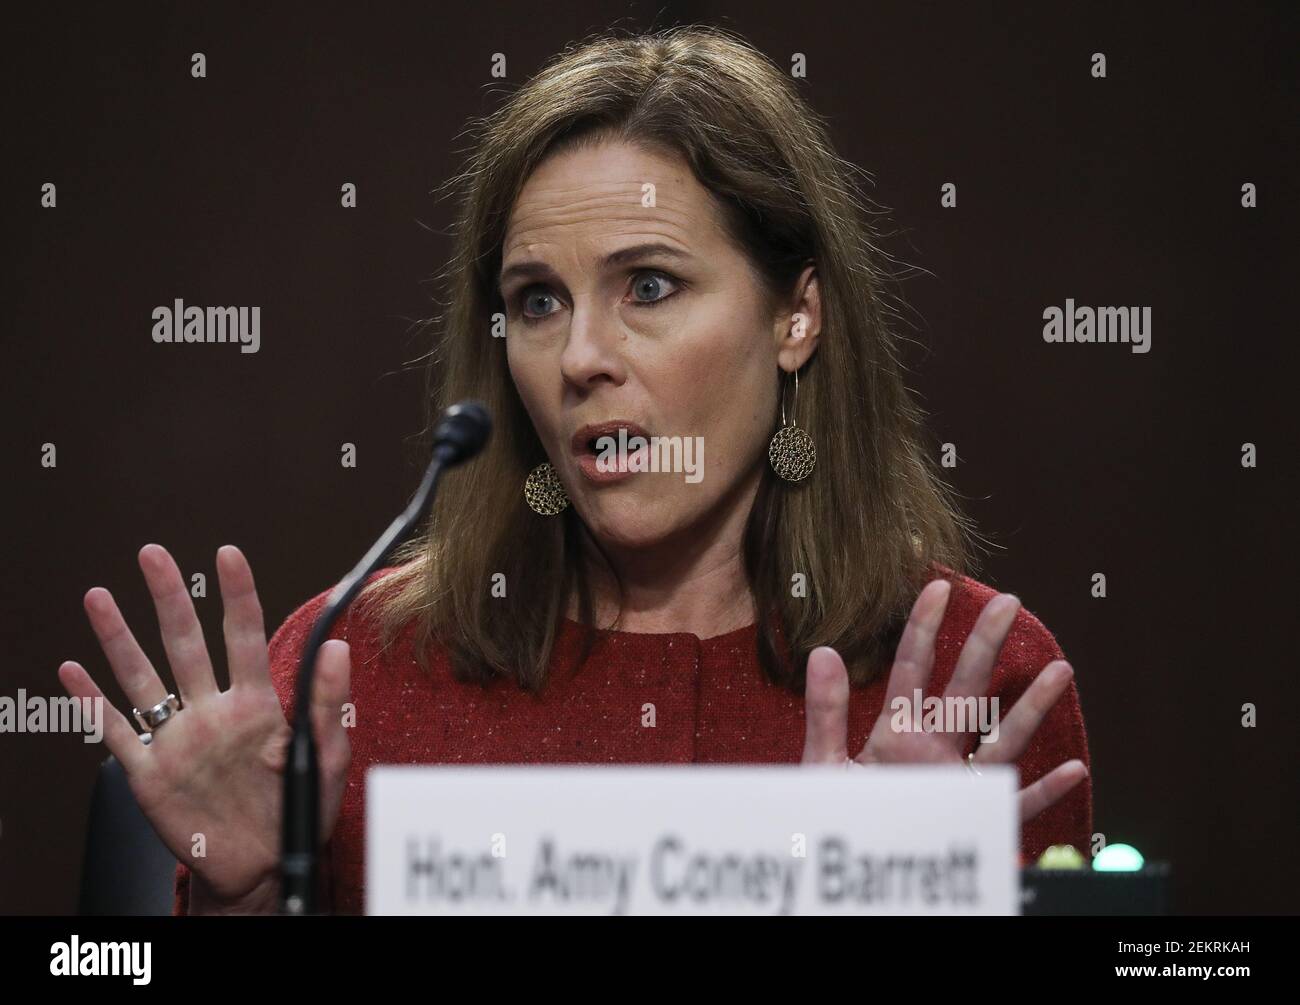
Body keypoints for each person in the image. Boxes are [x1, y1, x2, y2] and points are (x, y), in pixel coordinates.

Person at [57, 25, 1090, 916]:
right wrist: (248, 901)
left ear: (796, 314)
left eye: (648, 284)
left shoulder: (961, 675)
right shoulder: (355, 668)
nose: (582, 356)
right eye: (539, 301)